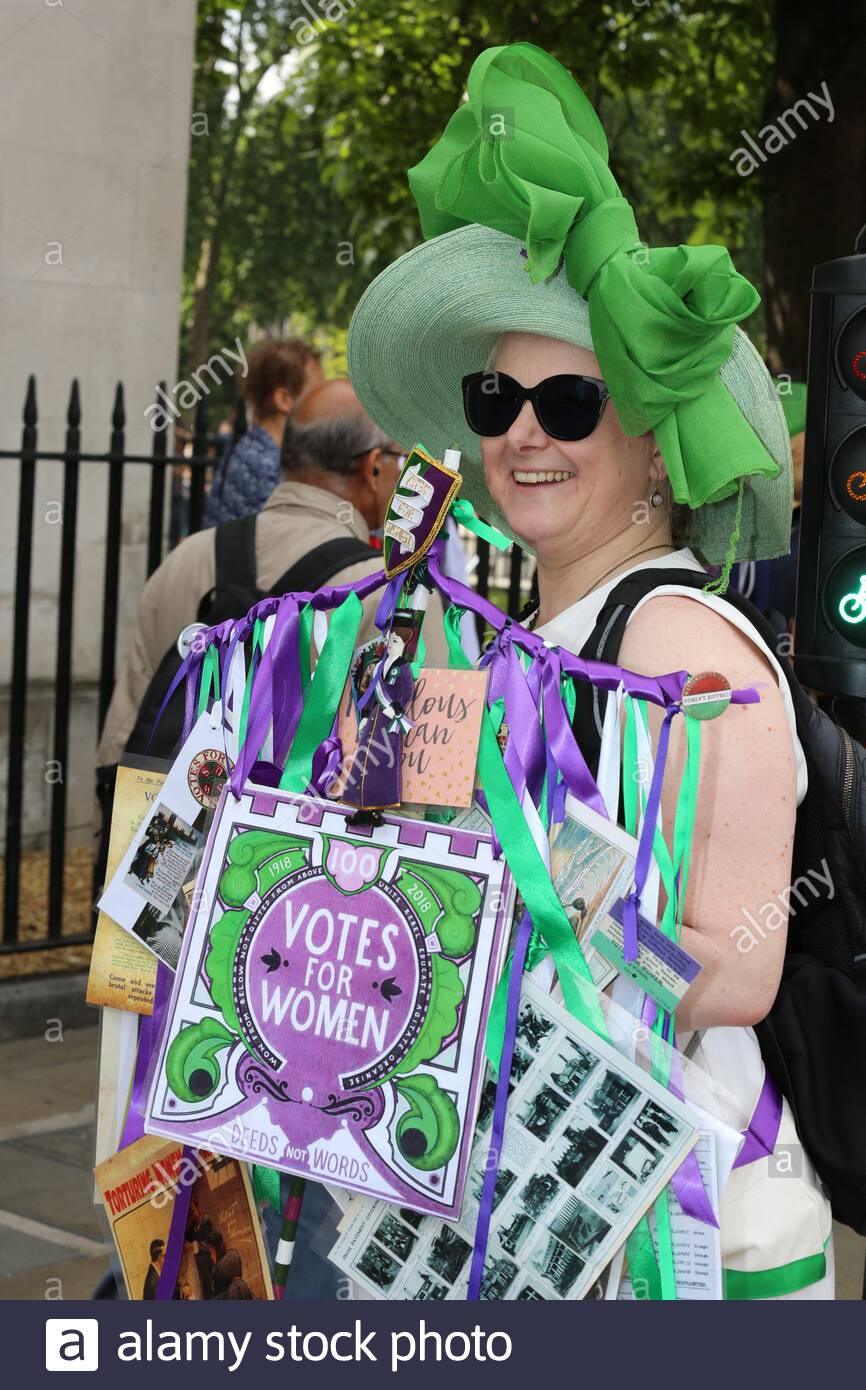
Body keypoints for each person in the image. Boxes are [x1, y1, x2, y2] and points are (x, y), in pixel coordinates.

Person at [346, 42, 832, 1299]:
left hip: (679, 1235)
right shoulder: (488, 632)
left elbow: (735, 955)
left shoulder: (681, 642)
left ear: (654, 445)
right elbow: (404, 848)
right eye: (495, 396)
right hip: (508, 1211)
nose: (518, 430)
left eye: (568, 403)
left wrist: (481, 952)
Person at [96, 379, 450, 770]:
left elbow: (120, 738)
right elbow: (423, 769)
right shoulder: (396, 595)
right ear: (374, 466)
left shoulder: (186, 558)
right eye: (399, 459)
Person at [203, 338, 323, 525]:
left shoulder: (258, 452)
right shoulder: (265, 465)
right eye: (317, 391)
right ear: (284, 399)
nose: (324, 399)